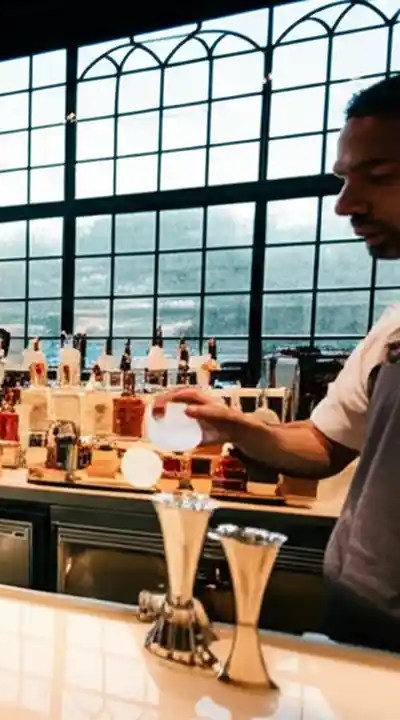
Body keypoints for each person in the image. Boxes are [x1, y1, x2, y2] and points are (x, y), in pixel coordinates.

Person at [155, 74, 400, 653]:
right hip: (363, 607)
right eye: (344, 180)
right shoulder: (394, 328)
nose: (346, 205)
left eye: (380, 177)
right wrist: (234, 425)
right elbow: (322, 444)